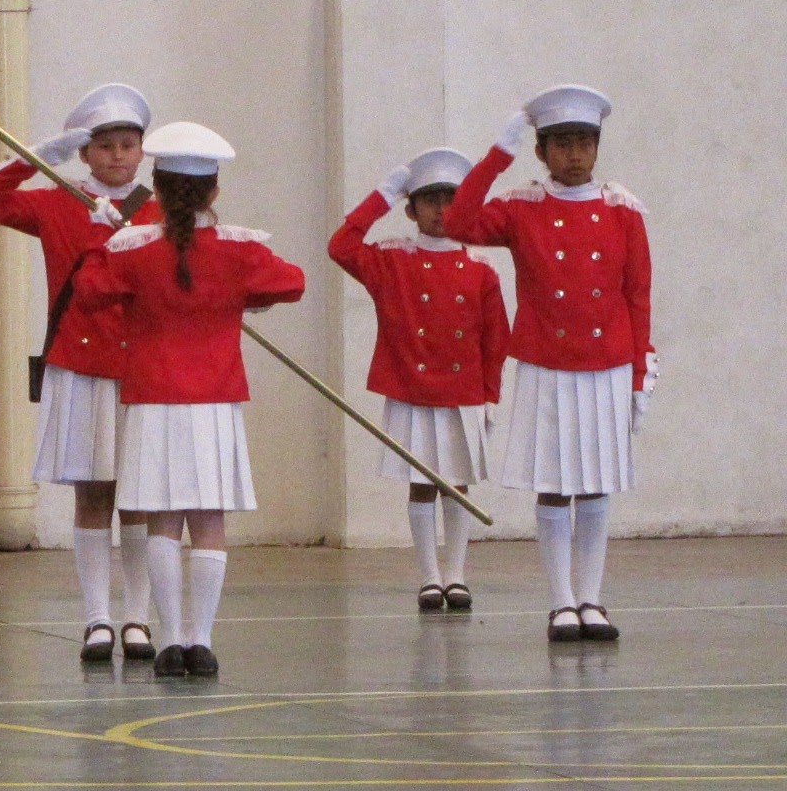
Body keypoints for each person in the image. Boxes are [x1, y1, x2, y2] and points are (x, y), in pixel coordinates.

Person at [74, 121, 305, 678]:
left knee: (162, 521)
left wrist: (106, 239)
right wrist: (241, 298)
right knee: (208, 523)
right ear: (214, 192)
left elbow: (90, 290)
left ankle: (172, 638)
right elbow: (291, 282)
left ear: (156, 187)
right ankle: (201, 641)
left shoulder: (133, 250)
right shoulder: (239, 250)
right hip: (213, 400)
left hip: (153, 398)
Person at [444, 86, 656, 642]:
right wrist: (496, 156)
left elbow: (638, 295)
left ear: (597, 146)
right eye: (561, 144)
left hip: (606, 362)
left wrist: (639, 372)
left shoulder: (622, 210)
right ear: (541, 152)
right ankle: (561, 600)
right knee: (555, 483)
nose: (575, 154)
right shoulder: (521, 206)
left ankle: (592, 598)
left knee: (596, 484)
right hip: (546, 361)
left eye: (585, 142)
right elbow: (460, 223)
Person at [0, 84, 163, 663]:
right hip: (81, 365)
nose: (118, 156)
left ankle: (138, 619)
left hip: (145, 370)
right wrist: (36, 158)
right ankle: (97, 617)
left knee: (143, 501)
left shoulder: (159, 210)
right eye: (105, 146)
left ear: (143, 151)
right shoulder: (59, 203)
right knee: (93, 493)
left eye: (129, 145)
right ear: (85, 153)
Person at [328, 148, 510, 611]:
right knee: (422, 481)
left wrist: (490, 393)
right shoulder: (392, 260)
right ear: (411, 208)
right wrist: (381, 195)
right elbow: (341, 247)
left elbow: (496, 336)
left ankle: (457, 574)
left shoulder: (481, 268)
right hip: (411, 387)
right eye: (430, 201)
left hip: (462, 390)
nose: (442, 211)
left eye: (452, 200)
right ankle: (429, 576)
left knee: (458, 482)